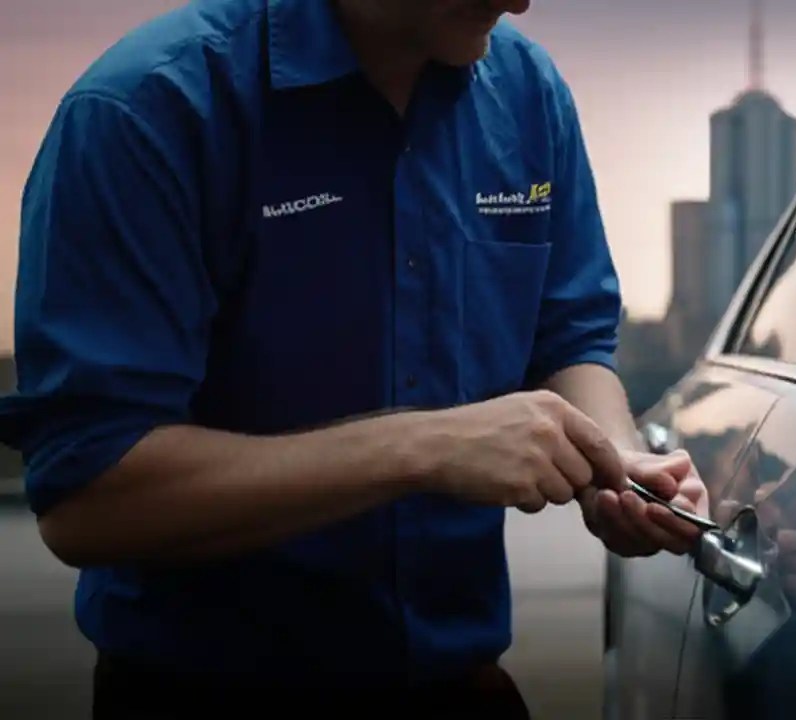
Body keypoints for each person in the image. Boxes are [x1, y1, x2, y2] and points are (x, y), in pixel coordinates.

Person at [0, 0, 708, 717]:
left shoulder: (530, 91)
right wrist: (423, 446)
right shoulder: (145, 111)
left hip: (465, 688)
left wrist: (620, 465)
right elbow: (86, 498)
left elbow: (568, 339)